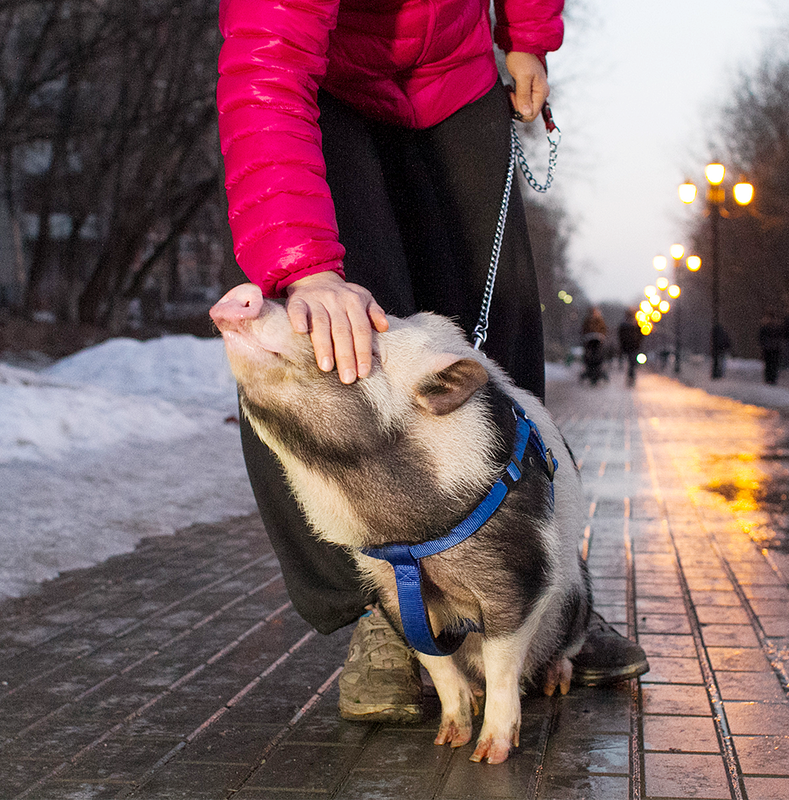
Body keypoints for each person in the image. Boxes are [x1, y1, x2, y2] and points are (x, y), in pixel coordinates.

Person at [216, 0, 648, 725]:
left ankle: (549, 593)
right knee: (326, 347)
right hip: (320, 76)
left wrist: (530, 37)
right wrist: (308, 267)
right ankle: (382, 613)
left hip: (456, 70)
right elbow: (267, 59)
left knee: (497, 336)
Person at [580, 306, 609, 384]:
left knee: (597, 356)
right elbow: (584, 330)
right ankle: (592, 372)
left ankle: (596, 372)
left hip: (597, 340)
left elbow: (604, 330)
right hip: (589, 341)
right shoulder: (588, 320)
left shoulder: (599, 321)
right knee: (590, 357)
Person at [617, 310, 643, 387]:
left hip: (630, 347)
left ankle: (631, 378)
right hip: (631, 347)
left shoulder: (626, 325)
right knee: (632, 364)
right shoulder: (635, 324)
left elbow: (620, 336)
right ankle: (631, 378)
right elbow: (640, 335)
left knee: (631, 364)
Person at [757, 313, 784, 385]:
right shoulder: (778, 327)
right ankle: (772, 379)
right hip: (775, 348)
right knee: (774, 364)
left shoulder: (765, 327)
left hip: (768, 348)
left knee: (769, 364)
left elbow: (761, 338)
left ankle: (768, 379)